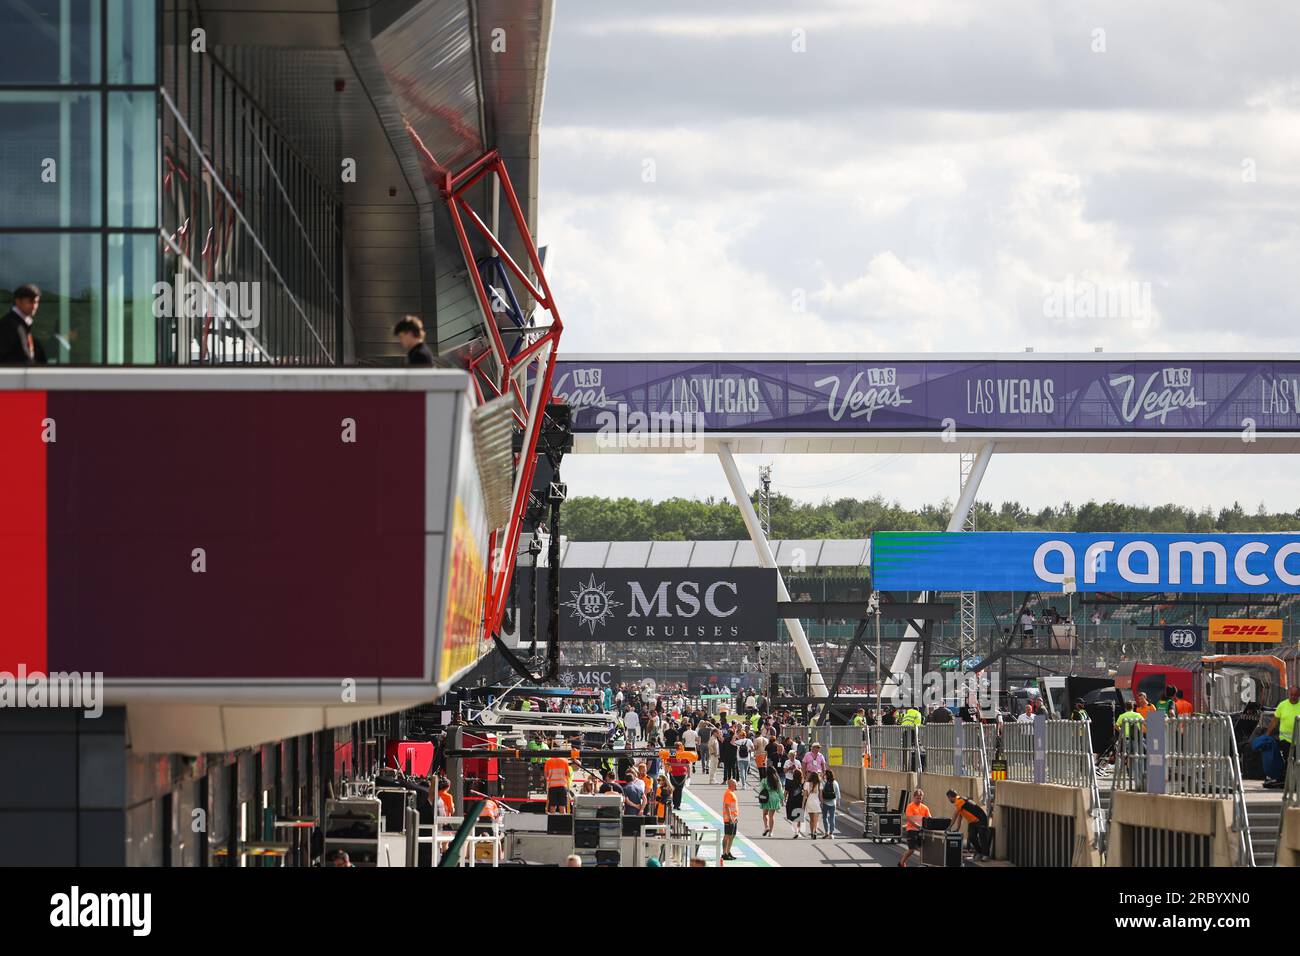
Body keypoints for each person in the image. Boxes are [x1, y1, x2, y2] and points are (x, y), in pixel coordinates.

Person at [1265, 684, 1300, 785]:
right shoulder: (1282, 705)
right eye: (1291, 695)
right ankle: (1286, 779)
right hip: (1285, 739)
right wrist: (1267, 733)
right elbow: (1274, 721)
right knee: (1289, 759)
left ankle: (1293, 779)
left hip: (1298, 739)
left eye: (1295, 695)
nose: (1293, 697)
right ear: (1289, 694)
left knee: (1296, 760)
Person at [0, 284, 42, 365]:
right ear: (18, 301)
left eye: (36, 302)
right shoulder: (10, 325)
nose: (34, 306)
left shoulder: (19, 324)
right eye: (30, 301)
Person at [946, 789, 991, 859]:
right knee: (972, 837)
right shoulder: (959, 802)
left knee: (982, 837)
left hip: (980, 819)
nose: (949, 800)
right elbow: (960, 816)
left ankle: (985, 854)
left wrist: (949, 826)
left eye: (948, 798)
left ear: (950, 797)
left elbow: (955, 815)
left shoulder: (959, 801)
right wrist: (958, 828)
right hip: (972, 821)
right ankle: (979, 852)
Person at [899, 788, 931, 867]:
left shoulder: (925, 807)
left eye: (920, 798)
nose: (919, 799)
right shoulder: (910, 806)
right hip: (912, 830)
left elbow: (929, 818)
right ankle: (901, 863)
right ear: (914, 797)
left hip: (922, 831)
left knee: (923, 849)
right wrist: (918, 826)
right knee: (912, 850)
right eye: (917, 798)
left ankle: (922, 864)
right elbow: (909, 819)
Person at [666, 742, 696, 809]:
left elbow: (688, 765)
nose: (678, 748)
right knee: (674, 789)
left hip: (682, 774)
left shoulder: (684, 754)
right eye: (676, 746)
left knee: (679, 789)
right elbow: (667, 763)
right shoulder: (672, 753)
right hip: (673, 773)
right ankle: (675, 803)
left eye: (678, 746)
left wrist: (689, 775)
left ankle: (677, 805)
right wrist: (666, 772)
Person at [543, 750, 572, 814]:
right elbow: (568, 774)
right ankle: (563, 822)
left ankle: (552, 822)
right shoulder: (564, 761)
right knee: (562, 807)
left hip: (552, 786)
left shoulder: (548, 762)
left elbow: (545, 775)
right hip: (562, 786)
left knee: (552, 806)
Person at [759, 766, 783, 837]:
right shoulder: (777, 780)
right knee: (771, 816)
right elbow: (780, 790)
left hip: (766, 797)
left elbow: (761, 790)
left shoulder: (764, 780)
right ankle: (771, 832)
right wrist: (782, 799)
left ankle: (766, 827)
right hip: (775, 797)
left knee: (765, 814)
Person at [721, 778, 740, 860]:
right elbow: (727, 806)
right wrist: (730, 818)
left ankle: (728, 852)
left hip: (733, 818)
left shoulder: (731, 793)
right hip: (729, 818)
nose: (736, 785)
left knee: (732, 835)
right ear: (731, 785)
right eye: (735, 784)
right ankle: (724, 853)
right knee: (727, 835)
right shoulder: (728, 793)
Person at [802, 771, 823, 840]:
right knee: (816, 820)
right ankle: (815, 831)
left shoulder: (807, 784)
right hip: (816, 802)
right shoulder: (819, 784)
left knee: (811, 820)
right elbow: (820, 796)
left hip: (809, 802)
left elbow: (805, 795)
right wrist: (822, 802)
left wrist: (803, 804)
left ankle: (812, 833)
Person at [785, 768, 805, 837]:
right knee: (799, 818)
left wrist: (784, 799)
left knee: (793, 818)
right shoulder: (803, 784)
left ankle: (796, 831)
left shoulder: (790, 782)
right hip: (800, 801)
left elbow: (786, 792)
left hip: (791, 801)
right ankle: (798, 831)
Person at [821, 770, 840, 839]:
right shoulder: (835, 783)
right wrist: (838, 802)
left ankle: (826, 832)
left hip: (825, 802)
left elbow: (821, 792)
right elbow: (838, 793)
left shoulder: (824, 782)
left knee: (824, 817)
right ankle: (831, 833)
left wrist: (821, 802)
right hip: (833, 802)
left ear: (826, 775)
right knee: (832, 817)